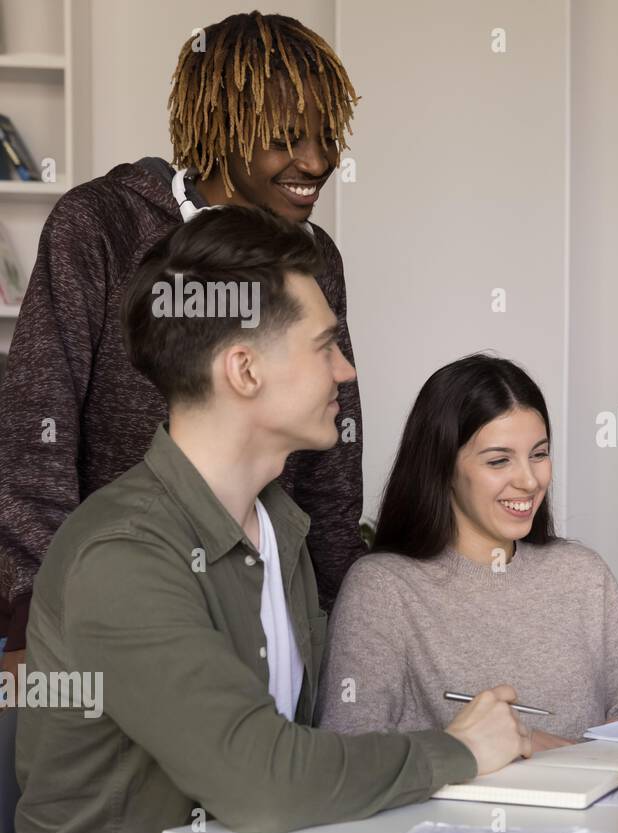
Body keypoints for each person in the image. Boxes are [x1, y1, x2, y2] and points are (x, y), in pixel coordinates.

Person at [15, 207, 529, 833]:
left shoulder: (279, 528)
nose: (345, 370)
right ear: (245, 371)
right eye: (325, 346)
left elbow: (294, 767)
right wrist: (457, 750)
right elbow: (263, 781)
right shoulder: (122, 555)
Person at [0, 12, 364, 685]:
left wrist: (333, 620)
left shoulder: (315, 258)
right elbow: (34, 434)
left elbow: (330, 465)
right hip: (115, 608)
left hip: (264, 609)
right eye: (287, 138)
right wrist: (35, 615)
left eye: (325, 136)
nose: (316, 162)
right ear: (220, 130)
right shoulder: (100, 227)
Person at [318, 354, 618, 744]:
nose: (530, 481)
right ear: (442, 468)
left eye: (539, 454)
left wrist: (542, 749)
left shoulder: (583, 574)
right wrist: (491, 750)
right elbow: (350, 752)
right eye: (499, 461)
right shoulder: (382, 589)